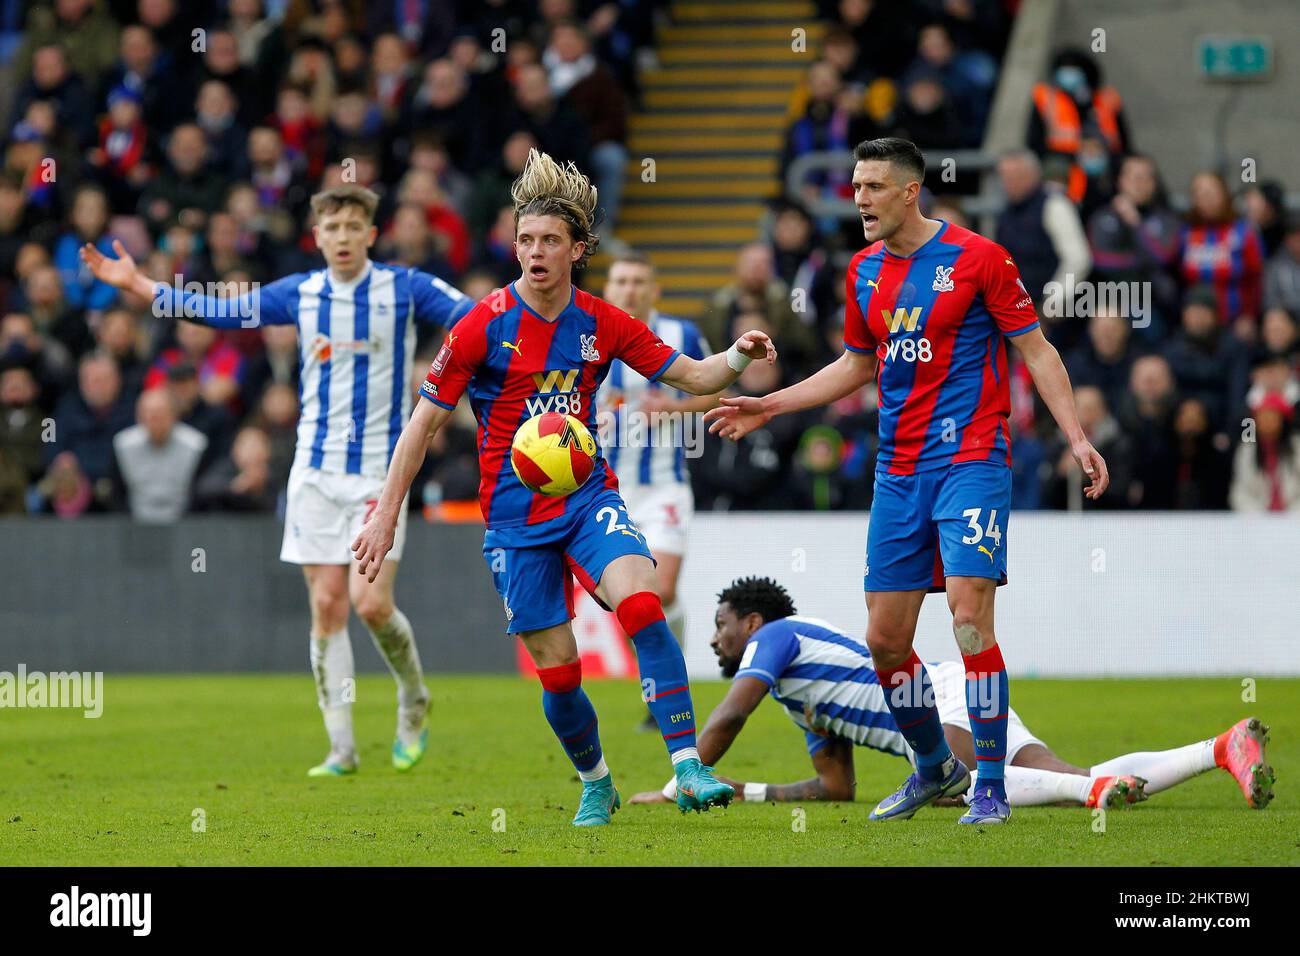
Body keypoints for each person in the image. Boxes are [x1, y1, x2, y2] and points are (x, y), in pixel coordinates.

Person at [351, 149, 776, 826]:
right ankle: (597, 780)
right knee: (560, 674)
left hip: (587, 501)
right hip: (516, 522)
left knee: (643, 604)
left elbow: (692, 377)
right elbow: (422, 425)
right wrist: (383, 515)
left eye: (550, 240)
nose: (535, 252)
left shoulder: (601, 322)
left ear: (577, 249)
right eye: (525, 240)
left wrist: (735, 357)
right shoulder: (479, 326)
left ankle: (688, 767)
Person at [705, 137, 1110, 825]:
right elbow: (857, 365)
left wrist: (1074, 436)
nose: (858, 198)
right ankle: (932, 768)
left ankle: (988, 785)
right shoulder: (862, 272)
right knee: (885, 640)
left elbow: (1036, 353)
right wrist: (769, 403)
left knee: (969, 621)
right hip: (898, 471)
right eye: (855, 186)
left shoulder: (981, 260)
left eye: (870, 187)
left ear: (908, 191)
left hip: (972, 461)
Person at [80, 185, 472, 777]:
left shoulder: (406, 288)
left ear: (371, 233)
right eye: (331, 228)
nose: (341, 237)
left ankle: (413, 698)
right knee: (326, 604)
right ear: (316, 237)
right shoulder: (300, 294)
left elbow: (479, 319)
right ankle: (341, 747)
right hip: (313, 473)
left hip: (379, 473)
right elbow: (217, 311)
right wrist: (139, 287)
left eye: (352, 226)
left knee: (371, 604)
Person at [629, 578, 1275, 812]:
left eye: (720, 627)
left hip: (935, 698)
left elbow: (728, 714)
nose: (714, 642)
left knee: (985, 787)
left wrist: (683, 777)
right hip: (943, 691)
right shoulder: (803, 696)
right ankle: (1218, 748)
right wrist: (739, 791)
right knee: (1057, 774)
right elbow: (834, 789)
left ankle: (1091, 792)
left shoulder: (778, 640)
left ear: (751, 624)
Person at [597, 250, 716, 728]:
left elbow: (718, 390)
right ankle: (660, 681)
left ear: (654, 290)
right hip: (606, 491)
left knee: (661, 590)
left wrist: (675, 406)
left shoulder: (681, 336)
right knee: (629, 599)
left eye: (639, 281)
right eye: (621, 281)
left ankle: (669, 683)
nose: (629, 289)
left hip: (665, 486)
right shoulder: (589, 334)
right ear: (609, 289)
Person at [111, 387, 207, 523]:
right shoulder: (123, 445)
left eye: (160, 414)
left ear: (174, 415)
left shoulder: (196, 445)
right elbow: (118, 492)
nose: (154, 421)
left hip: (184, 523)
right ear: (139, 417)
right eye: (149, 415)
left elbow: (198, 492)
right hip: (134, 524)